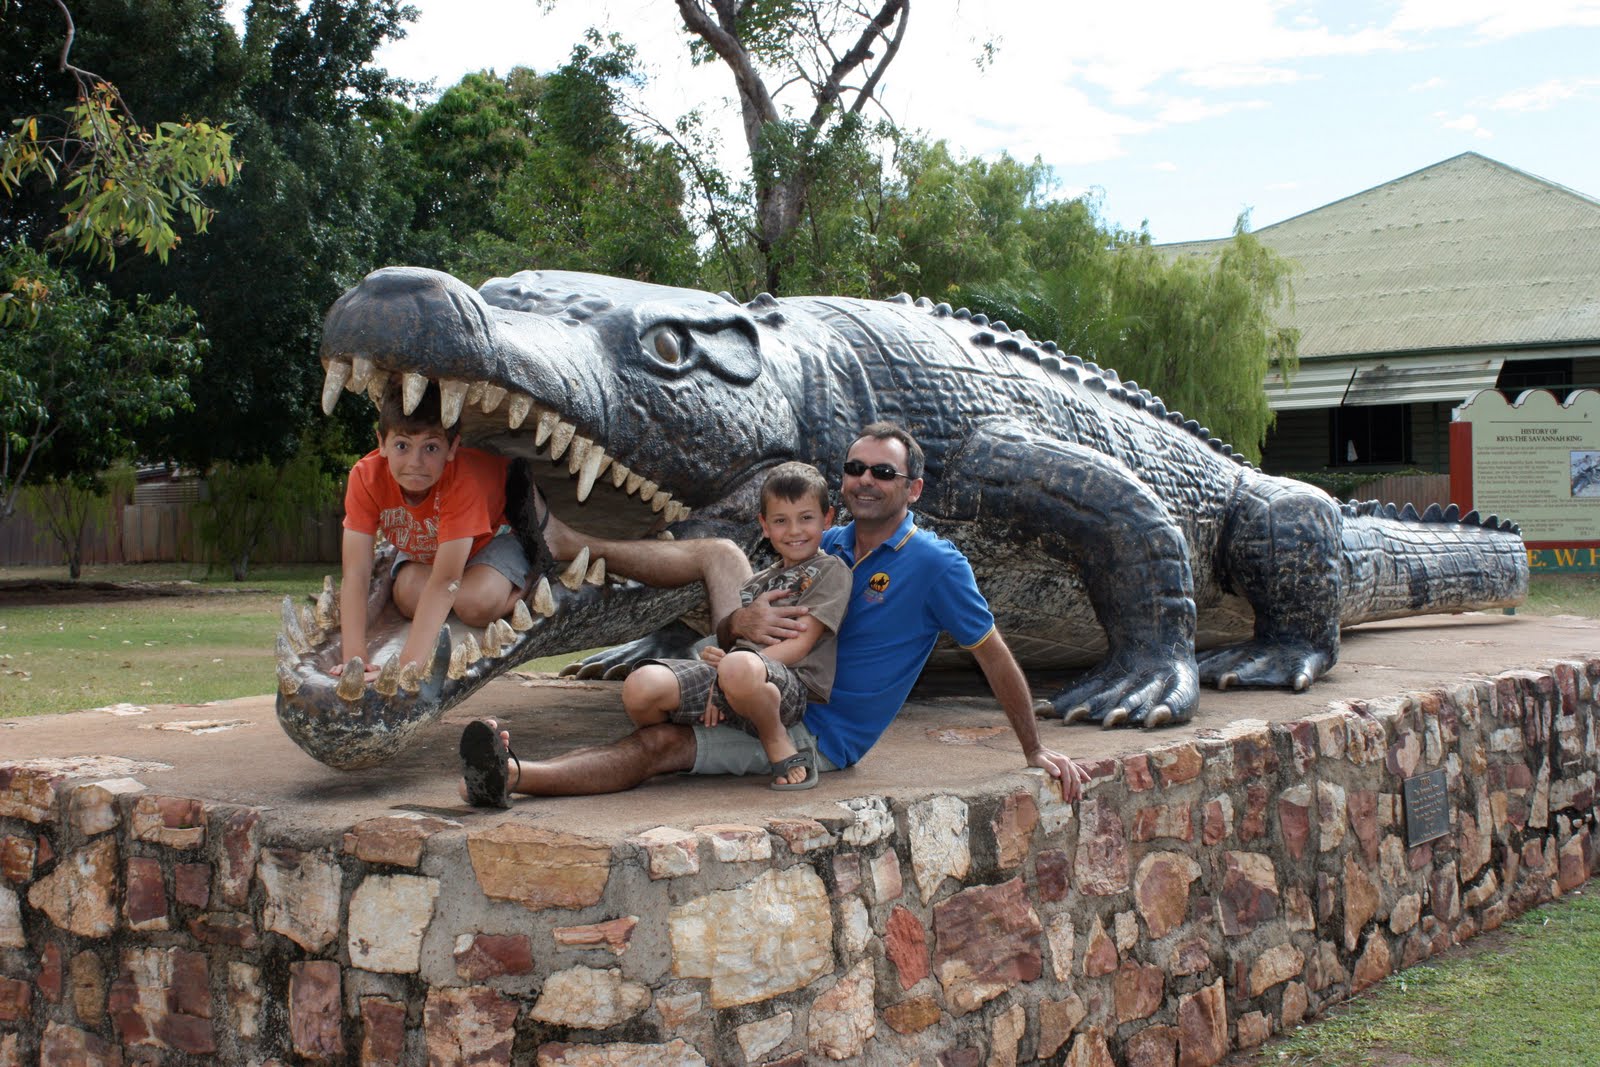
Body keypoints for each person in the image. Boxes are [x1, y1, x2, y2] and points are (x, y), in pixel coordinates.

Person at [457, 422, 1089, 805]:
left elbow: (992, 652)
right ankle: (571, 548)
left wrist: (1034, 750)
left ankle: (514, 776)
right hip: (761, 680)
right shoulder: (825, 543)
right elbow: (742, 619)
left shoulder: (935, 565)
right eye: (854, 468)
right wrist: (736, 637)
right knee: (703, 589)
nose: (865, 479)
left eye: (884, 472)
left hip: (822, 733)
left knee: (659, 747)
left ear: (912, 488)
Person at [621, 461, 849, 789]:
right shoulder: (757, 583)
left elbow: (800, 645)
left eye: (806, 518)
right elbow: (733, 646)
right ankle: (686, 738)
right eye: (781, 521)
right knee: (641, 686)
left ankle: (774, 739)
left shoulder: (831, 571)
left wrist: (732, 666)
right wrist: (719, 665)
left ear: (827, 520)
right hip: (732, 677)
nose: (795, 531)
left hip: (787, 686)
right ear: (764, 526)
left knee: (740, 668)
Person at [336, 380, 529, 682]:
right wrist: (354, 658)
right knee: (405, 595)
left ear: (452, 448)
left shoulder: (463, 481)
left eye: (431, 447)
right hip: (433, 551)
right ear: (381, 443)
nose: (416, 463)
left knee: (476, 605)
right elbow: (356, 573)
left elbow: (447, 581)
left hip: (491, 538)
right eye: (402, 445)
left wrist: (405, 666)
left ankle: (529, 581)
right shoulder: (365, 476)